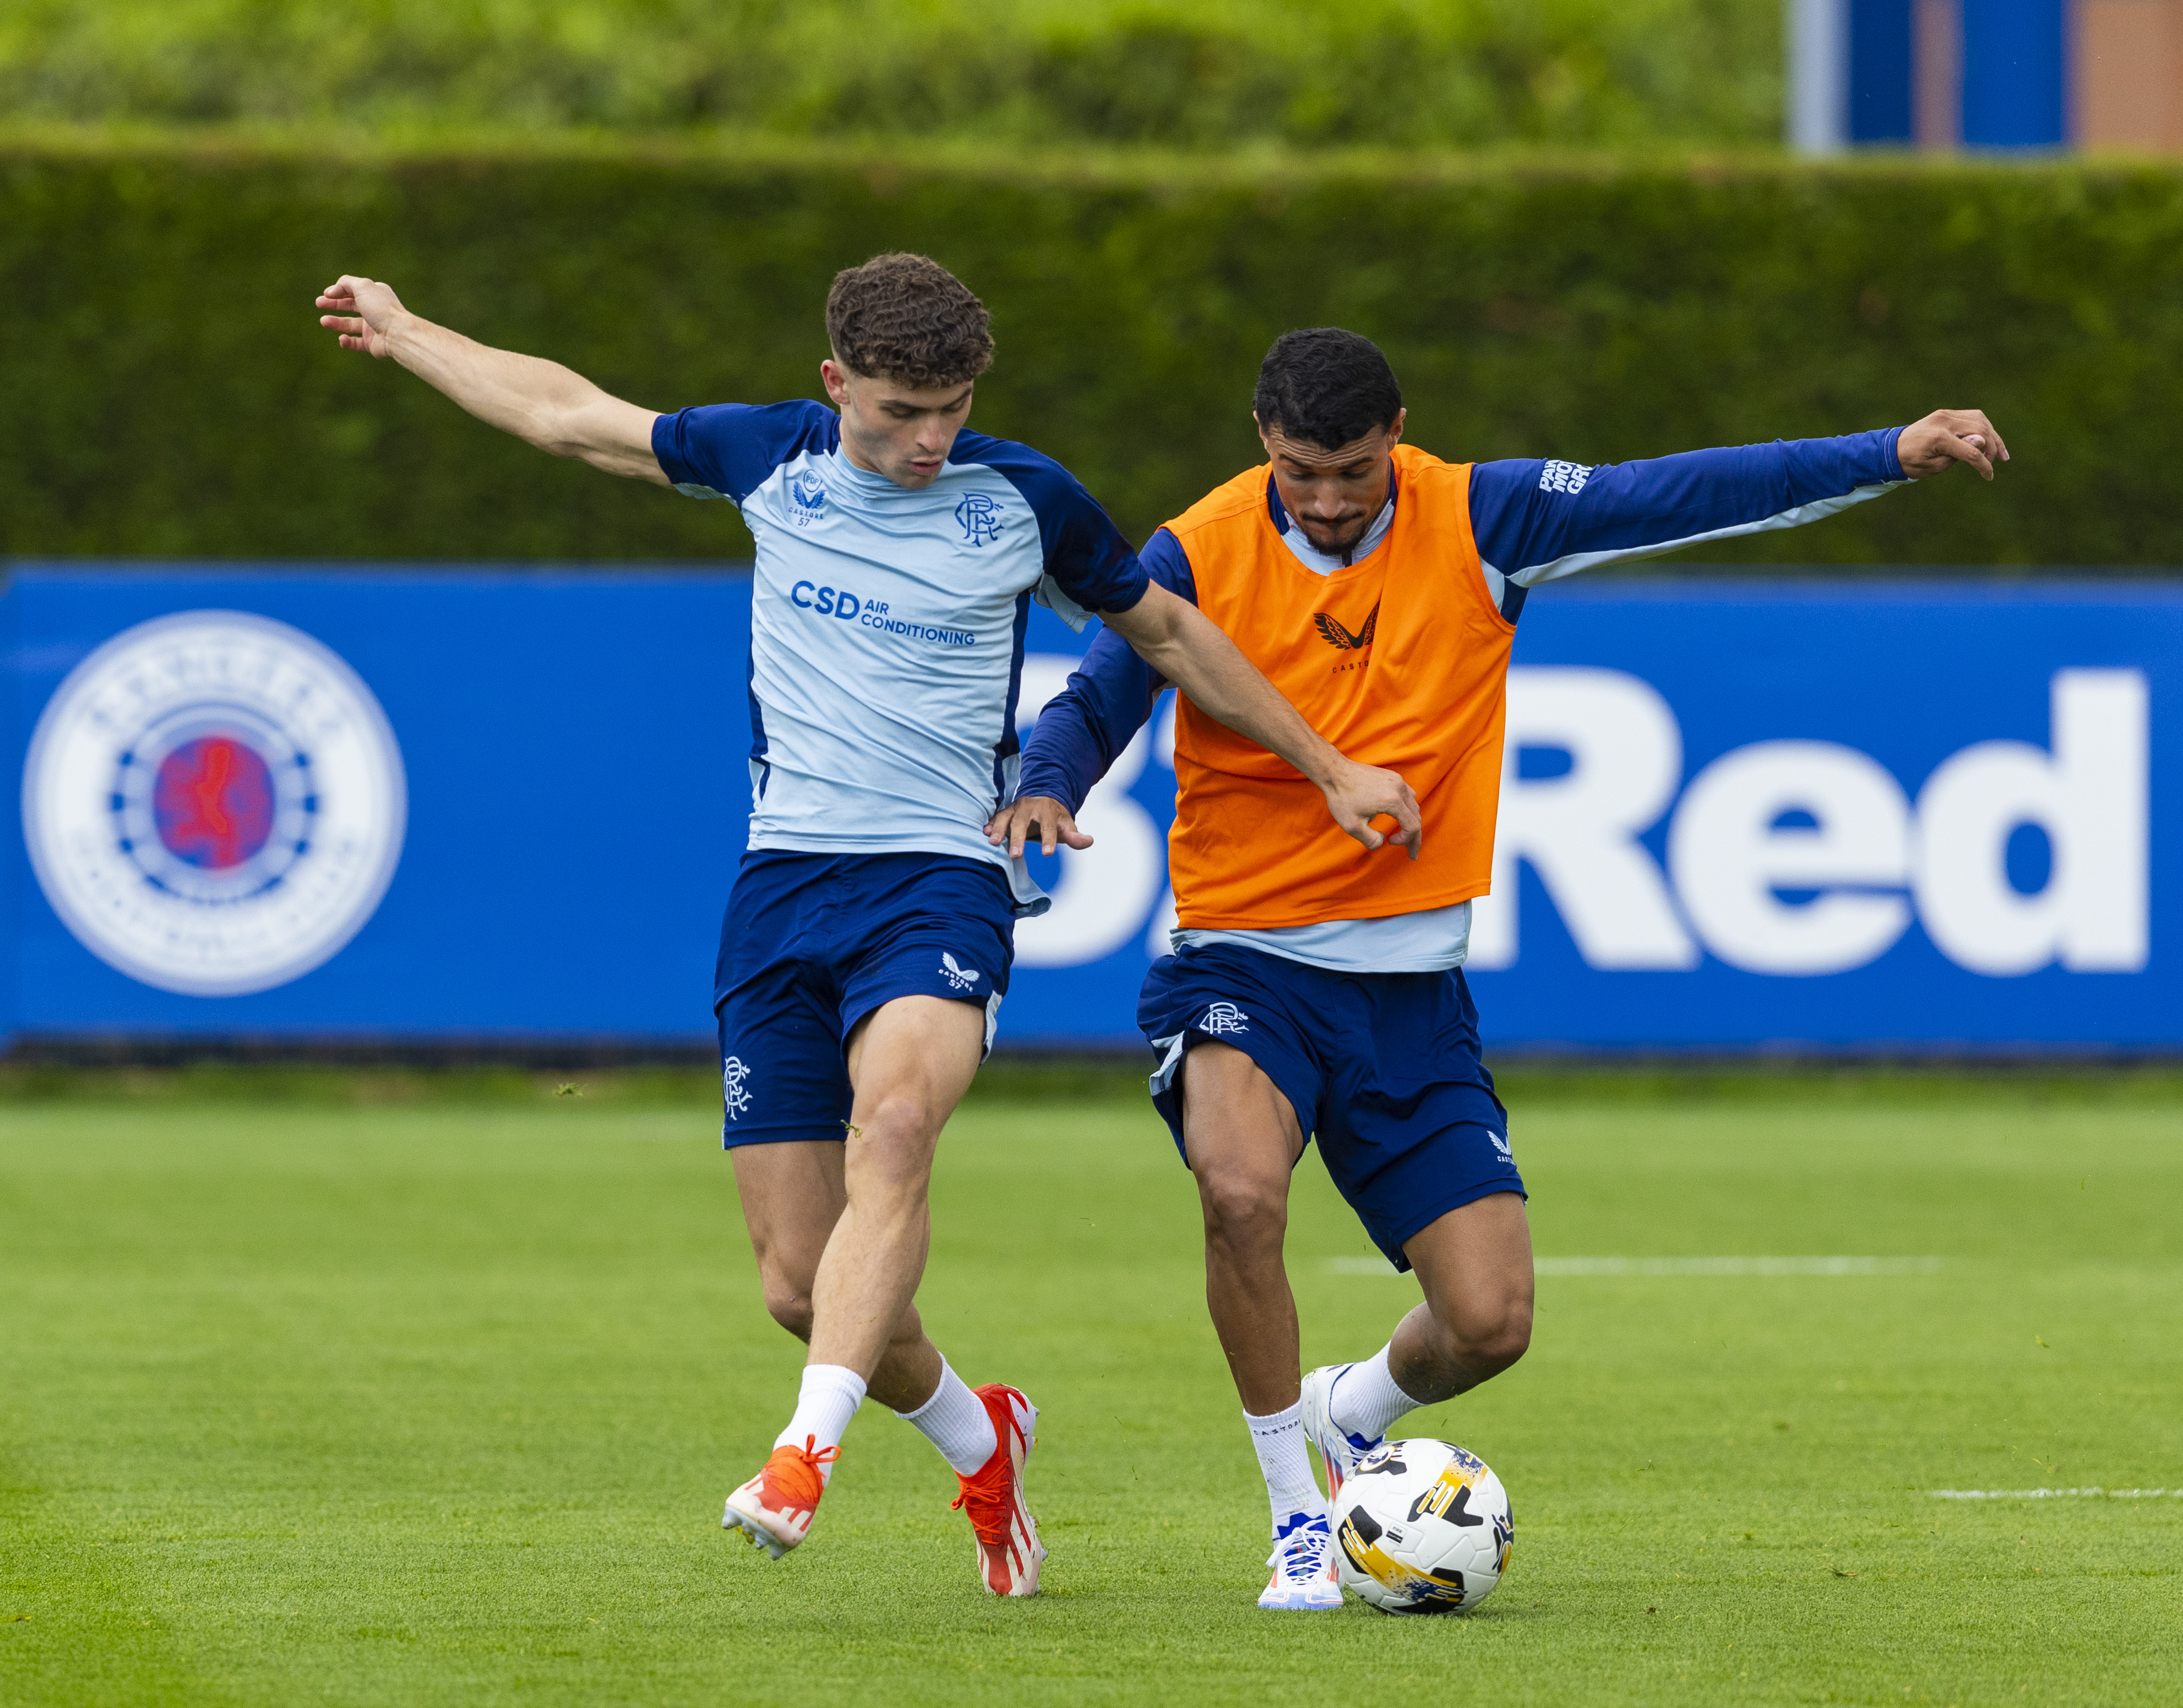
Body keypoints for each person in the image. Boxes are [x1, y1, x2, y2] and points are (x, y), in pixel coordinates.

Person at [314, 262, 1419, 1597]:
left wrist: (1330, 765)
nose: (931, 438)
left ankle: (800, 1455)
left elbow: (1172, 635)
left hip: (940, 882)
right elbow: (567, 414)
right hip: (780, 890)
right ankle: (977, 1429)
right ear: (838, 386)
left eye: (952, 407)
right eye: (902, 410)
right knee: (799, 1279)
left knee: (894, 1126)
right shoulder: (765, 457)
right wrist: (408, 328)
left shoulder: (1027, 499)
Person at [995, 327, 2007, 1610]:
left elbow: (1686, 488)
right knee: (1240, 1194)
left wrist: (1890, 452)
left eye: (1353, 470)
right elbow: (1099, 694)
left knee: (1489, 1323)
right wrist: (1045, 783)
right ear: (1264, 442)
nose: (1324, 497)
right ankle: (1296, 1518)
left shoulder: (1487, 517)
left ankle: (1346, 1413)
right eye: (1301, 470)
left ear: (1398, 437)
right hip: (1239, 959)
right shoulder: (1195, 550)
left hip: (1412, 994)